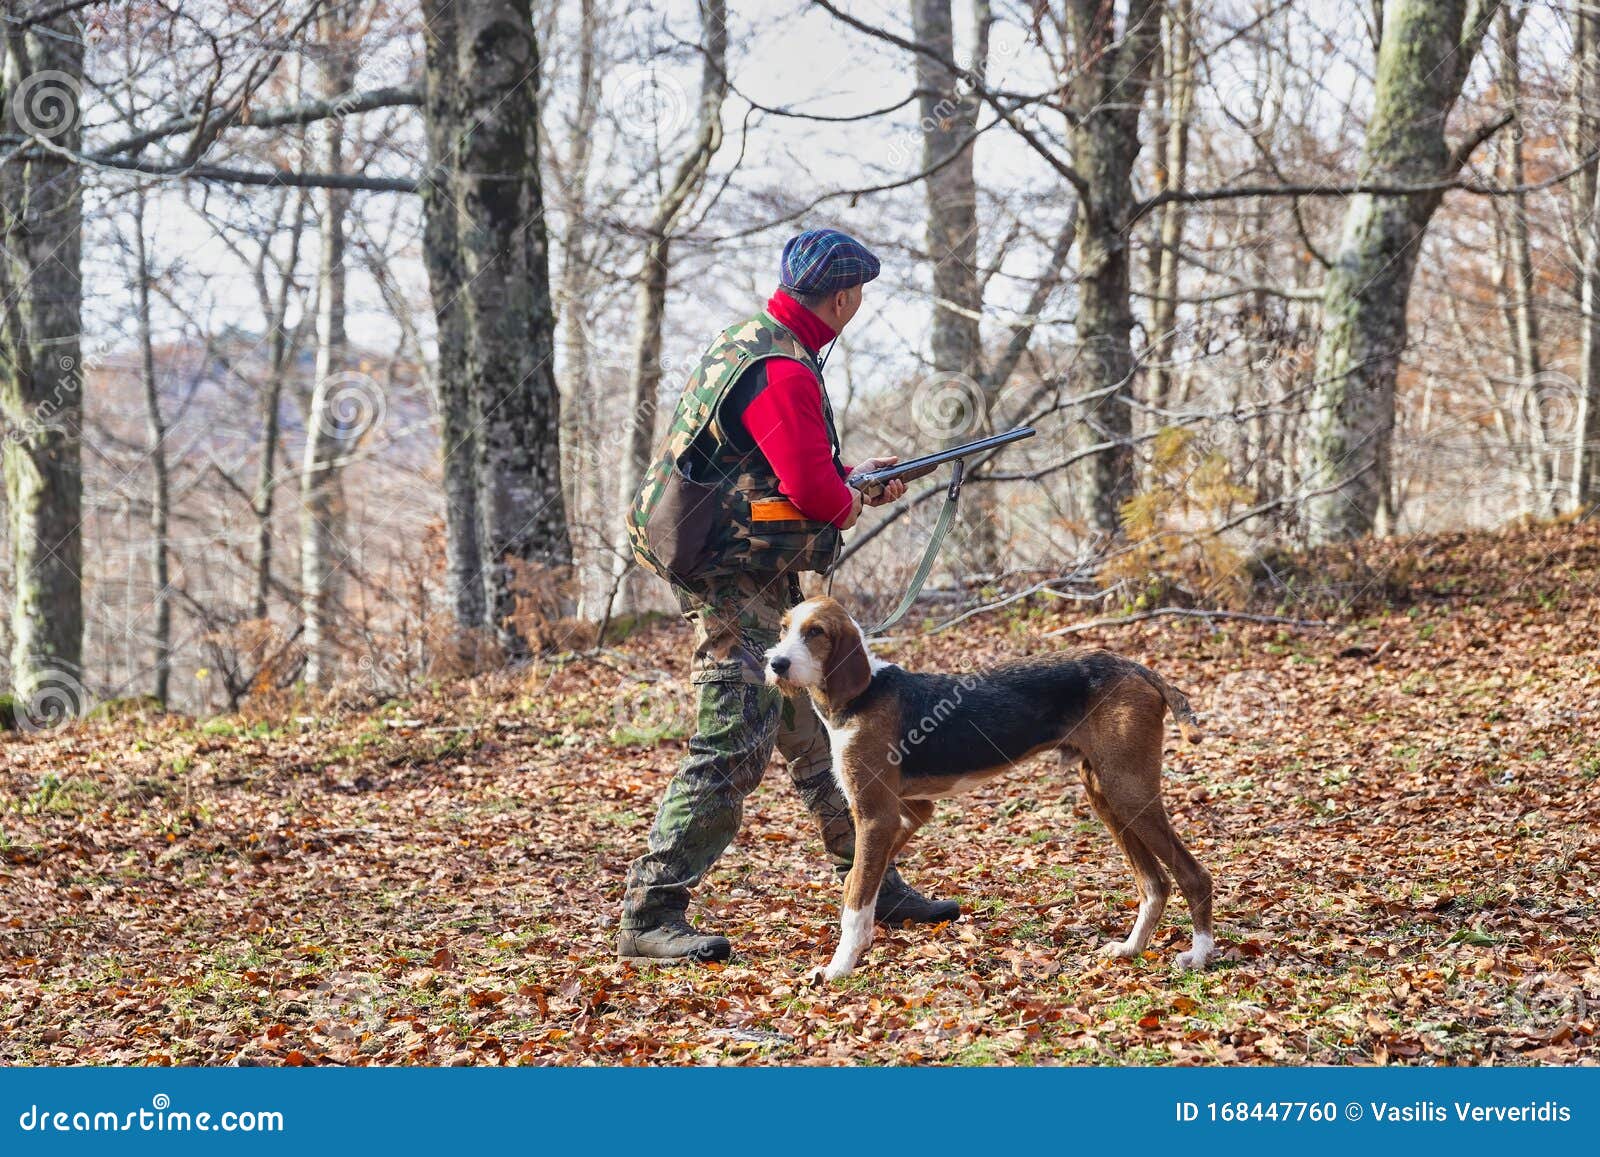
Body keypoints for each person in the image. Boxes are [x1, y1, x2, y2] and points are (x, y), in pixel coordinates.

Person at [618, 228, 960, 962]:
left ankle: (874, 883)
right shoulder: (786, 370)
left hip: (742, 567)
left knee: (811, 736)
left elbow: (784, 466)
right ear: (841, 297)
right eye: (858, 294)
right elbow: (813, 493)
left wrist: (851, 474)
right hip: (731, 583)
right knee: (733, 739)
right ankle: (651, 910)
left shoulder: (753, 339)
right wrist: (848, 495)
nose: (858, 306)